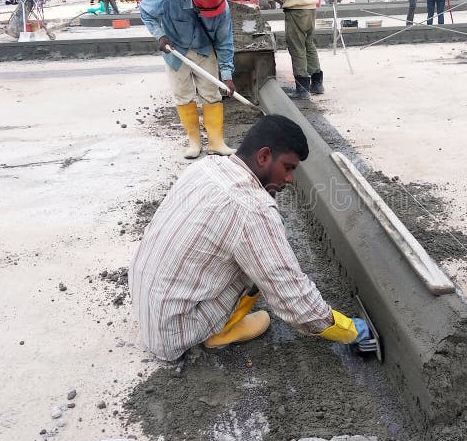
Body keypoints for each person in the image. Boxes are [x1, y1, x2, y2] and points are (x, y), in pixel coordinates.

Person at [130, 114, 371, 363]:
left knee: (258, 240)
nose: (289, 179)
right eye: (288, 167)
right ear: (264, 156)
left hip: (147, 300)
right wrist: (349, 330)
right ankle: (218, 332)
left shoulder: (207, 166)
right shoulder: (252, 210)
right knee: (262, 256)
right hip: (175, 331)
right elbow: (292, 297)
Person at [139, 0, 236, 159]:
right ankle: (194, 142)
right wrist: (160, 35)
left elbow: (225, 42)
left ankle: (216, 142)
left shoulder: (221, 7)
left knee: (211, 93)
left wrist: (227, 76)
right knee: (182, 95)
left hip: (204, 49)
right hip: (176, 51)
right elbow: (145, 11)